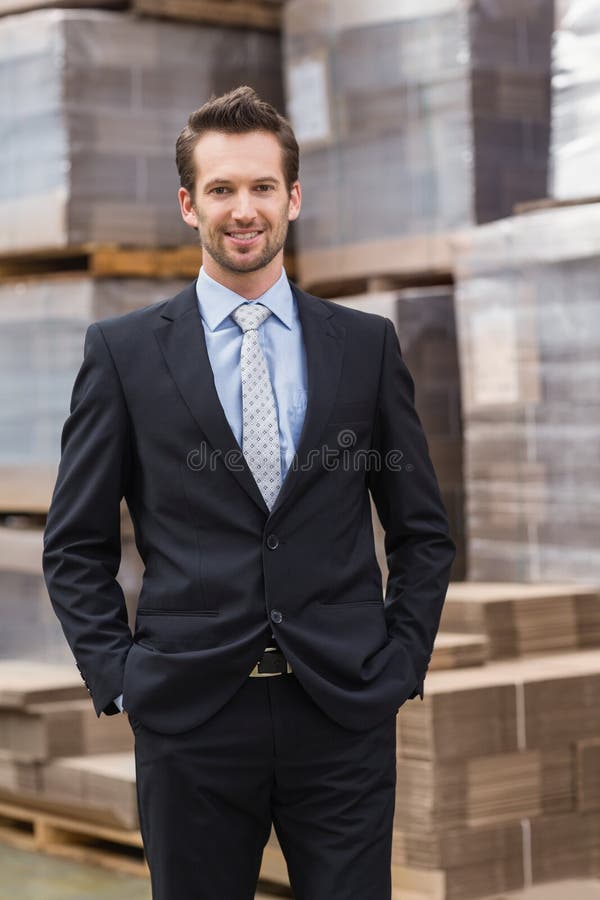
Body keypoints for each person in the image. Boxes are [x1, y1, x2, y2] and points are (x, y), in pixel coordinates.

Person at [43, 85, 455, 900]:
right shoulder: (123, 354)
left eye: (262, 187)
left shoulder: (365, 347)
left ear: (292, 198)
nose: (243, 210)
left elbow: (423, 532)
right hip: (190, 719)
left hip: (341, 712)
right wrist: (121, 677)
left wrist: (401, 663)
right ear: (188, 205)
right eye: (221, 188)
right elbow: (74, 545)